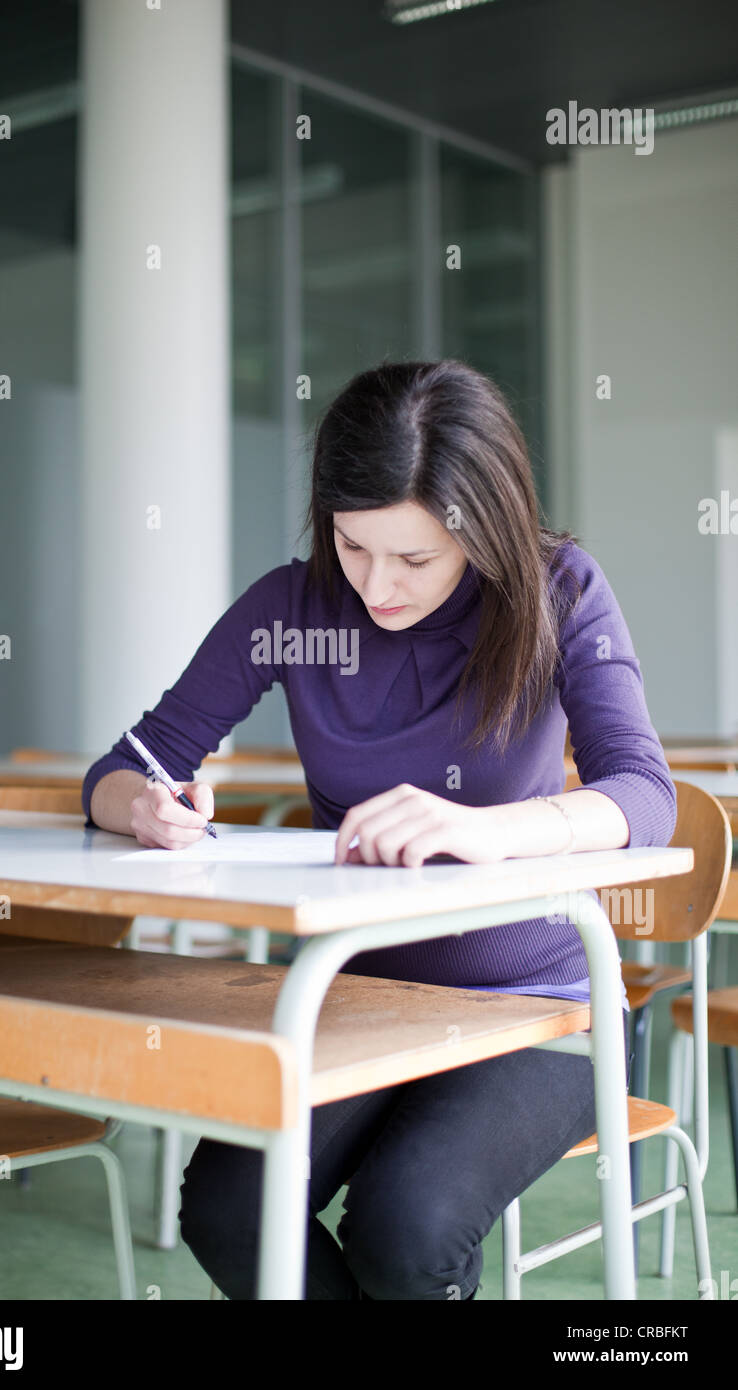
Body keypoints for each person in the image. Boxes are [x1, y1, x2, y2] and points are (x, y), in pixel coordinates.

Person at [81, 358, 675, 1300]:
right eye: (356, 547)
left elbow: (645, 794)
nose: (377, 587)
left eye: (415, 558)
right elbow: (125, 768)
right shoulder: (291, 608)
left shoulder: (560, 590)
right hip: (356, 996)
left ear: (485, 528)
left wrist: (495, 830)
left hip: (538, 1009)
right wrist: (143, 807)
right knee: (229, 1212)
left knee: (409, 1227)